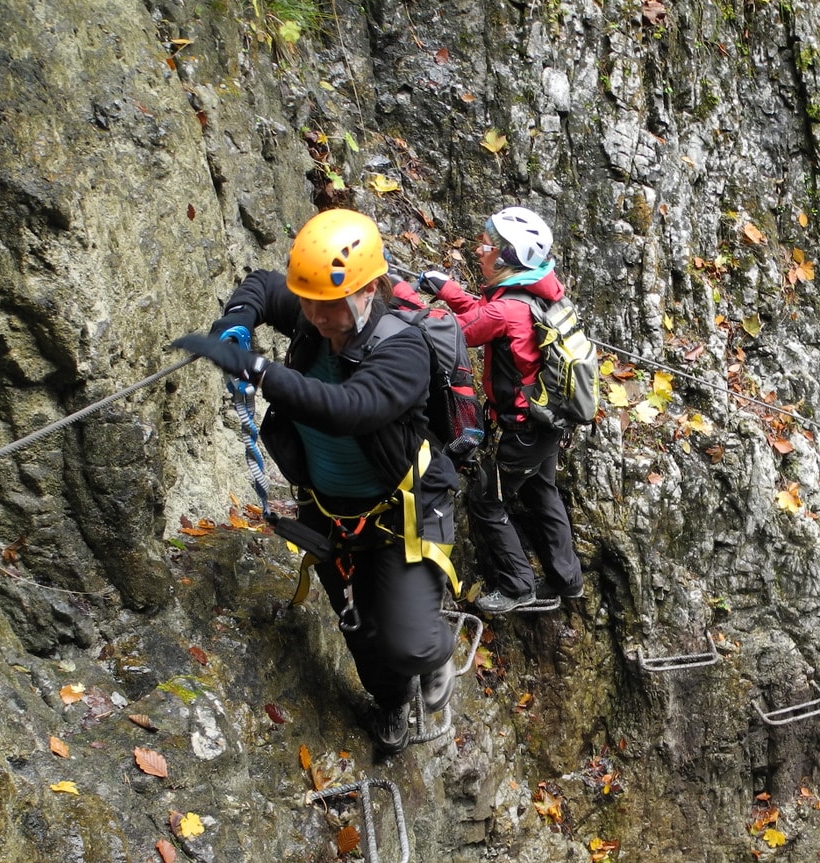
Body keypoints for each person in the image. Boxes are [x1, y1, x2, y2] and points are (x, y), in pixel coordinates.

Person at [172, 208, 459, 754]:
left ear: (369, 290)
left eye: (326, 305)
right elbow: (260, 286)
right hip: (326, 511)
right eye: (307, 302)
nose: (312, 315)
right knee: (357, 627)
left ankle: (432, 656)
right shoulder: (316, 309)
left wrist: (257, 369)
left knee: (411, 643)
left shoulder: (404, 348)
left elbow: (347, 409)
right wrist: (236, 320)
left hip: (399, 517)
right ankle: (392, 703)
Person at [395, 206, 584, 614]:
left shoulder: (507, 308)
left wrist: (405, 297)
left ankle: (519, 587)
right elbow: (486, 315)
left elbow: (449, 334)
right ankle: (568, 581)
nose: (480, 250)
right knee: (541, 490)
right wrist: (447, 289)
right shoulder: (538, 293)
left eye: (488, 245)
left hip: (522, 430)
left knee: (486, 502)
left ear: (506, 258)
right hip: (547, 423)